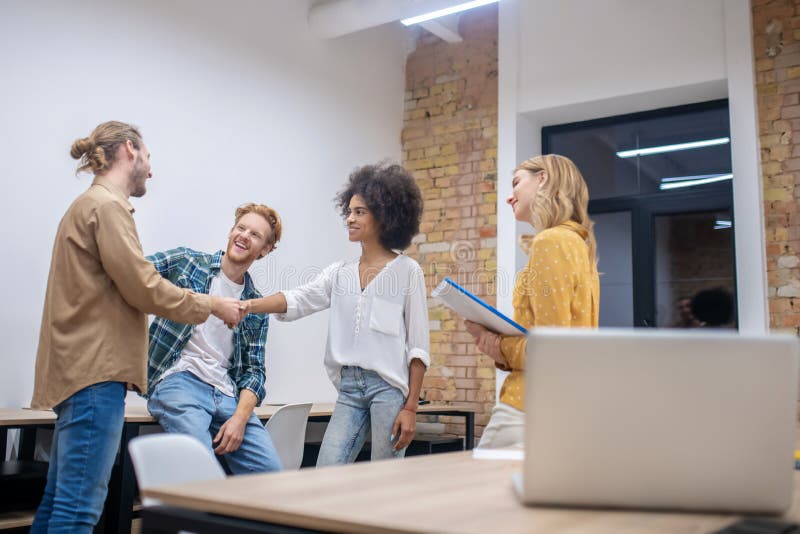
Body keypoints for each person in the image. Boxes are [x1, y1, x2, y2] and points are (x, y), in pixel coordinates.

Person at [30, 121, 245, 534]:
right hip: (95, 375)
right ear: (130, 149)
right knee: (78, 511)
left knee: (59, 501)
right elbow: (143, 287)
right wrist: (212, 304)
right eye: (148, 156)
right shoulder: (107, 208)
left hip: (80, 372)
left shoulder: (88, 205)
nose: (151, 169)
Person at [245, 163, 429, 465]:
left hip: (389, 390)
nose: (350, 219)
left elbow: (418, 347)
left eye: (360, 212)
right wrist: (250, 305)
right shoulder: (339, 273)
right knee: (327, 469)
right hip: (349, 389)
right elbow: (299, 298)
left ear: (384, 216)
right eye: (350, 211)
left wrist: (410, 408)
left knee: (387, 477)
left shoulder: (408, 272)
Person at [465, 154, 600, 449]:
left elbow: (551, 350)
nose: (509, 197)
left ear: (543, 179)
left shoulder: (551, 241)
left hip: (527, 407)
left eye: (516, 183)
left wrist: (495, 343)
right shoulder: (578, 244)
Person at [145, 203, 284, 473]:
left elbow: (254, 373)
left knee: (271, 475)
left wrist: (240, 418)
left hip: (226, 395)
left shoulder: (255, 305)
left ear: (265, 249)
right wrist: (204, 302)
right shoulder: (188, 263)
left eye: (255, 234)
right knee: (203, 471)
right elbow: (135, 273)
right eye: (241, 228)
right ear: (231, 231)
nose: (244, 236)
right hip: (180, 380)